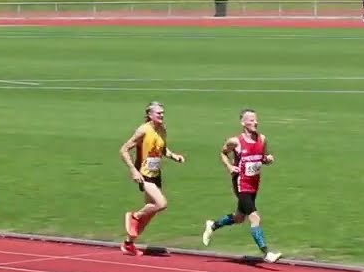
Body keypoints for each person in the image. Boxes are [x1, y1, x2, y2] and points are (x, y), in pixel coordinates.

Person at [202, 109, 281, 263]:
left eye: (256, 120)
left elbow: (261, 158)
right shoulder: (235, 141)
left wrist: (267, 159)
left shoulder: (262, 139)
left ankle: (212, 225)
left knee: (239, 218)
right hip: (241, 184)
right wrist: (230, 167)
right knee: (255, 218)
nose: (255, 122)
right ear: (243, 123)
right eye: (251, 120)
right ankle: (266, 253)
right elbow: (223, 153)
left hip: (254, 184)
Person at [118, 101, 184, 256]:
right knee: (161, 204)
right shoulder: (143, 130)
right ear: (149, 114)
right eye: (158, 113)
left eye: (162, 112)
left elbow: (162, 148)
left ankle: (128, 243)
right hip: (144, 174)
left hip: (156, 174)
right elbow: (124, 150)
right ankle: (135, 216)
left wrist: (174, 156)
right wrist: (133, 171)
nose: (161, 115)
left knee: (151, 212)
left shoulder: (162, 129)